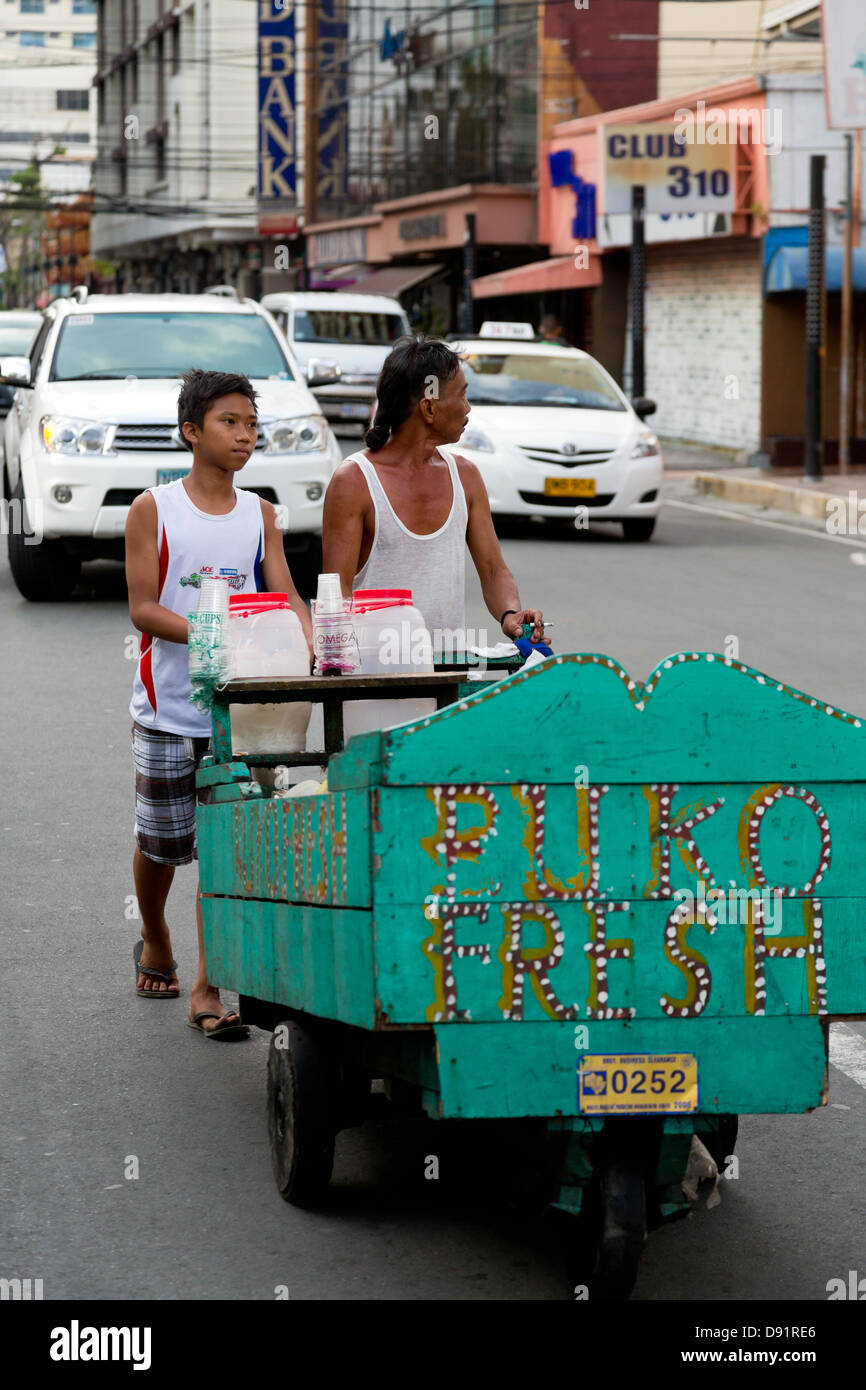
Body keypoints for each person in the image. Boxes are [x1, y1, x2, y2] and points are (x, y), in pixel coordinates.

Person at [125, 370, 312, 1036]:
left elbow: (285, 592)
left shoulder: (261, 514)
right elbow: (143, 608)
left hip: (241, 714)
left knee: (223, 850)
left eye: (252, 424)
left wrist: (308, 639)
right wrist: (216, 630)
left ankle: (209, 988)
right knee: (163, 844)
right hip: (168, 709)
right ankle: (155, 938)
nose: (245, 435)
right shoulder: (154, 509)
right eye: (230, 422)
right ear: (191, 432)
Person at [322, 335, 544, 649]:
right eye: (463, 395)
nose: (468, 408)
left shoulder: (465, 477)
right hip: (371, 685)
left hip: (446, 684)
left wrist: (510, 613)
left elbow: (494, 570)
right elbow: (336, 594)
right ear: (429, 407)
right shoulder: (355, 481)